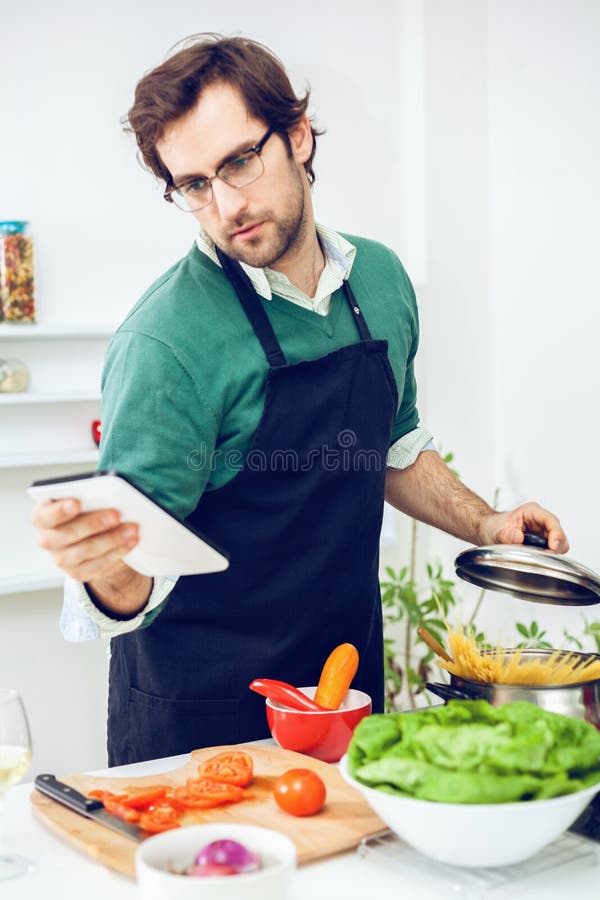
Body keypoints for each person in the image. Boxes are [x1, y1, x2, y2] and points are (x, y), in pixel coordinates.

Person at [31, 34, 568, 766]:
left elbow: (394, 447)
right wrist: (98, 563)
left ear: (297, 136)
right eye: (192, 185)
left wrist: (485, 520)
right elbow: (131, 579)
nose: (224, 205)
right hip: (206, 728)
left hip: (346, 697)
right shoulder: (165, 343)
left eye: (238, 163)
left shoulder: (381, 281)